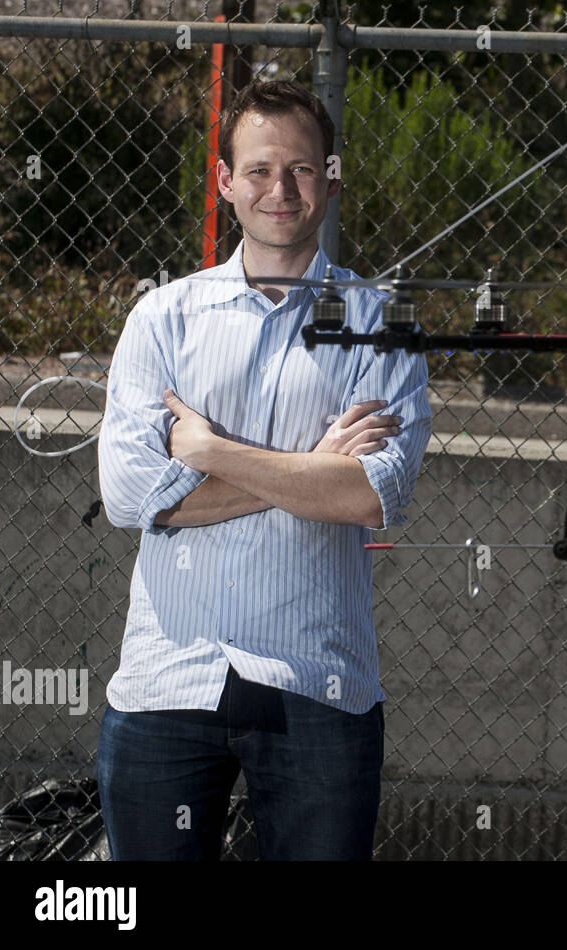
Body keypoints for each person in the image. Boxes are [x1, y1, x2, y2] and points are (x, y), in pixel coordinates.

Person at [95, 80, 432, 860]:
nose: (280, 190)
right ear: (224, 182)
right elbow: (131, 495)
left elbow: (367, 495)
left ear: (332, 178)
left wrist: (211, 456)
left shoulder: (377, 322)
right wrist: (306, 470)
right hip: (168, 677)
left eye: (302, 170)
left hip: (317, 678)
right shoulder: (165, 317)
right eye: (258, 170)